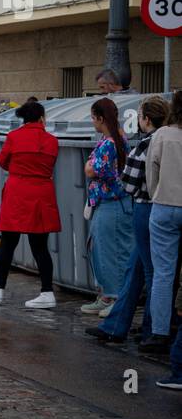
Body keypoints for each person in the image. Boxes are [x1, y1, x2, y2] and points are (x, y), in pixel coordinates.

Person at [88, 96, 169, 347]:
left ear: (146, 119)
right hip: (160, 206)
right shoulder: (169, 139)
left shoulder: (146, 144)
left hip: (146, 206)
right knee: (136, 268)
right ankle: (117, 325)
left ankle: (152, 329)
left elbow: (128, 182)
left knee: (149, 270)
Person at [0, 101, 61, 308]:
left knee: (8, 242)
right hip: (41, 193)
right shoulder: (52, 141)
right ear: (41, 118)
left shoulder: (13, 137)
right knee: (40, 246)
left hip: (17, 192)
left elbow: (2, 161)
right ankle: (47, 292)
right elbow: (50, 163)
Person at [83, 97, 133, 316]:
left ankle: (117, 299)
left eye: (93, 118)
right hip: (107, 203)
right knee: (101, 250)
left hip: (113, 204)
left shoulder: (111, 143)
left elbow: (93, 170)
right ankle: (107, 295)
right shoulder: (114, 140)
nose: (92, 122)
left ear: (101, 119)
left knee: (114, 252)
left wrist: (89, 167)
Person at [150, 91, 182, 389]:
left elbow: (153, 171)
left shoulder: (162, 135)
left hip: (163, 205)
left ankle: (160, 331)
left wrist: (156, 195)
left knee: (163, 272)